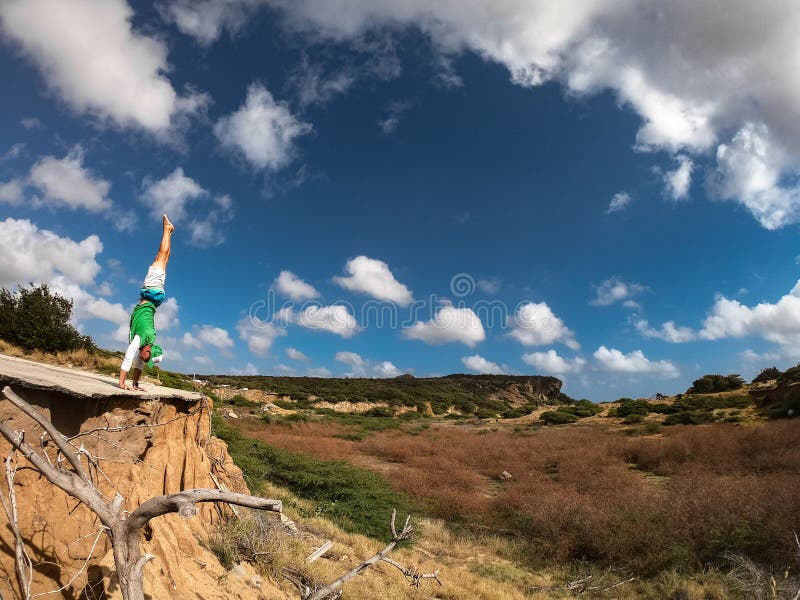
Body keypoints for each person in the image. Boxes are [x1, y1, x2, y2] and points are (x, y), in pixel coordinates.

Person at [118, 215, 173, 390]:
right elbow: (129, 356)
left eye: (145, 359)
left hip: (155, 296)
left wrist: (134, 383)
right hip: (152, 292)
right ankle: (167, 229)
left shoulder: (146, 343)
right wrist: (121, 382)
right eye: (146, 357)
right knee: (161, 255)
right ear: (149, 351)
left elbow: (136, 361)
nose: (143, 359)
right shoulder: (143, 339)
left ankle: (169, 231)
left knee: (164, 258)